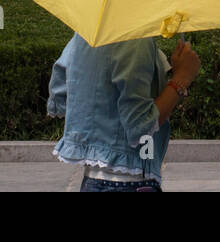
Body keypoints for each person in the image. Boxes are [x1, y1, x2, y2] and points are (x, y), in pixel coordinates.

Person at [47, 28, 201, 192]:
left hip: (94, 179)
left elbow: (59, 93)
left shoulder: (88, 33)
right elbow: (140, 127)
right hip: (130, 182)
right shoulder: (136, 40)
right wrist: (181, 78)